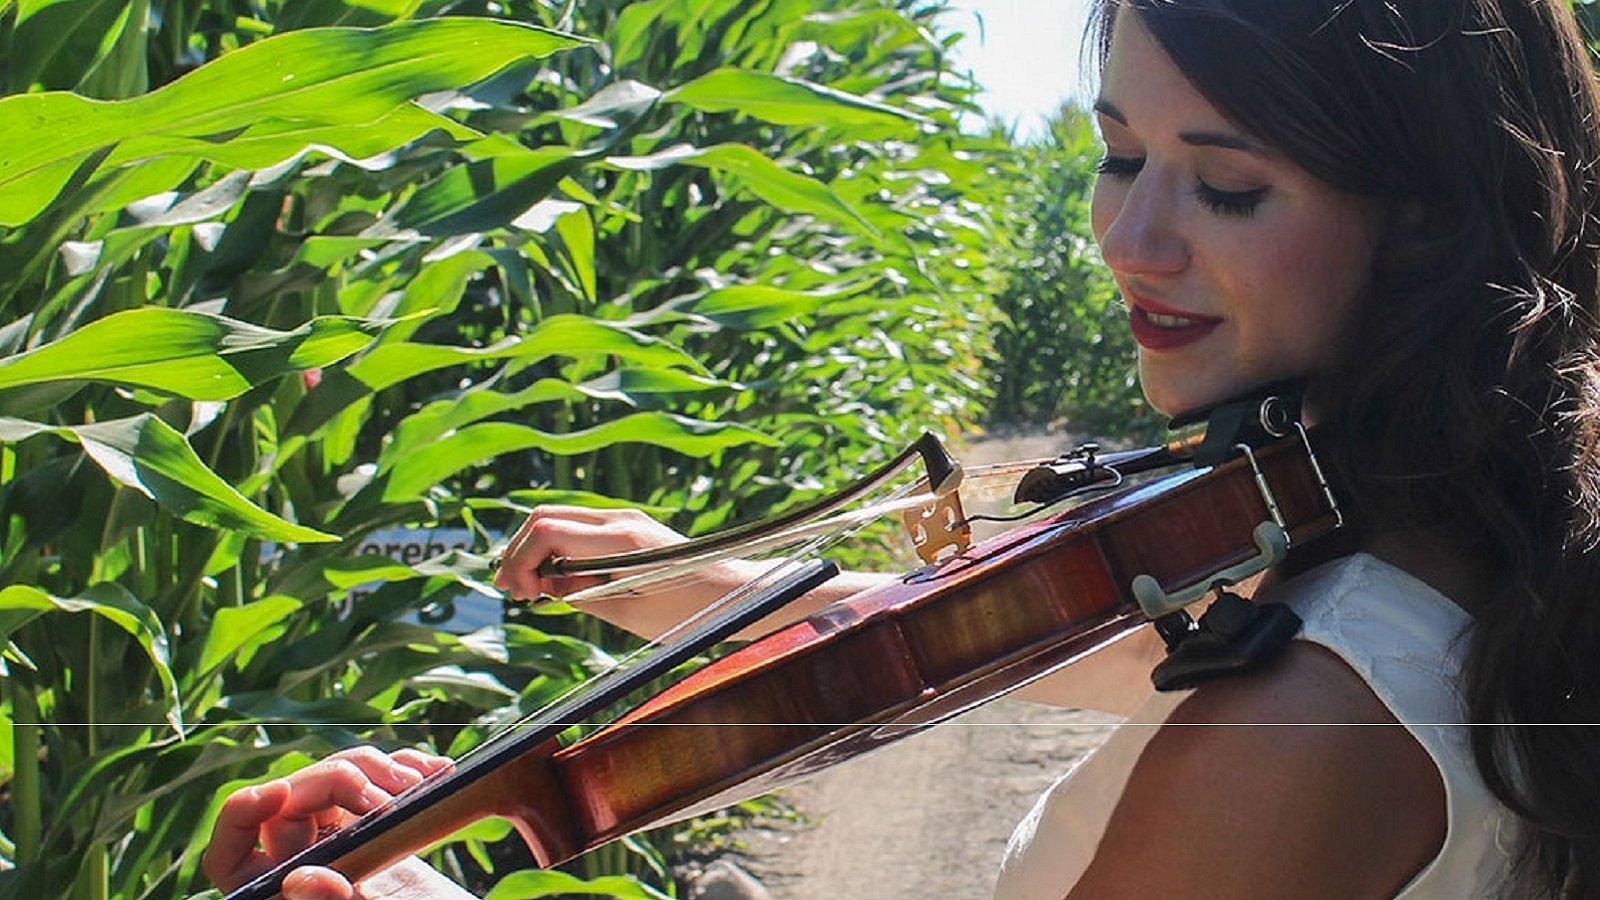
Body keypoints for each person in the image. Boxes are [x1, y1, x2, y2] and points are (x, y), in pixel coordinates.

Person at [204, 0, 1600, 897]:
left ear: (1426, 219)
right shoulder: (1451, 558)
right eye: (1119, 157)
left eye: (1228, 188)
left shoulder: (1297, 736)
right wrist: (692, 587)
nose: (1127, 238)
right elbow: (1053, 637)